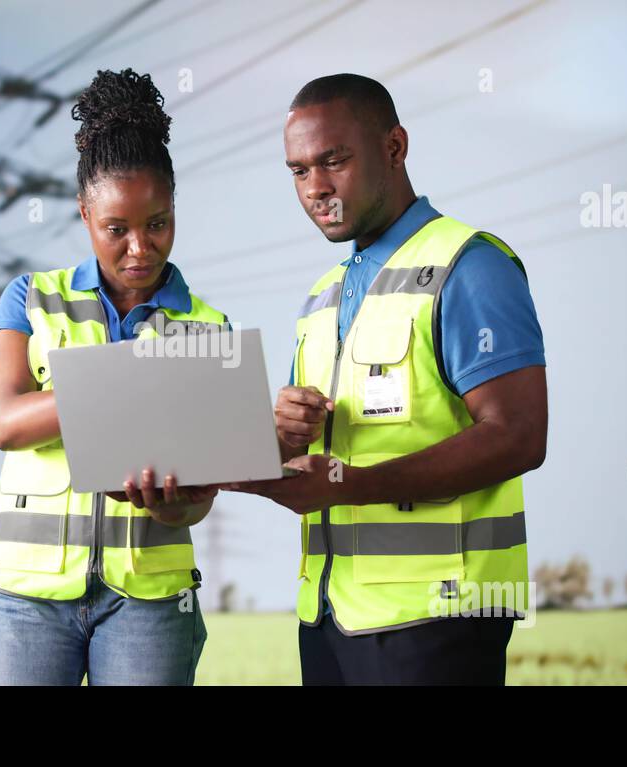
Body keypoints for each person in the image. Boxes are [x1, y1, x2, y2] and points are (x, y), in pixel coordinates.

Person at [224, 73, 549, 686]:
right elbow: (302, 453)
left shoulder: (470, 265)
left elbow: (520, 436)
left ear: (395, 147)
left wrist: (354, 485)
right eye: (297, 171)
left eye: (334, 161)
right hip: (328, 619)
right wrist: (249, 452)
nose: (316, 188)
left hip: (439, 620)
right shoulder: (321, 296)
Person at [0, 68, 228, 686]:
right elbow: (6, 422)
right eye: (117, 229)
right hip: (27, 599)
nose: (140, 247)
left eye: (157, 223)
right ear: (85, 215)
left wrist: (174, 507)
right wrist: (132, 379)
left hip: (151, 600)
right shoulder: (31, 299)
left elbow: (201, 501)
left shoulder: (208, 326)